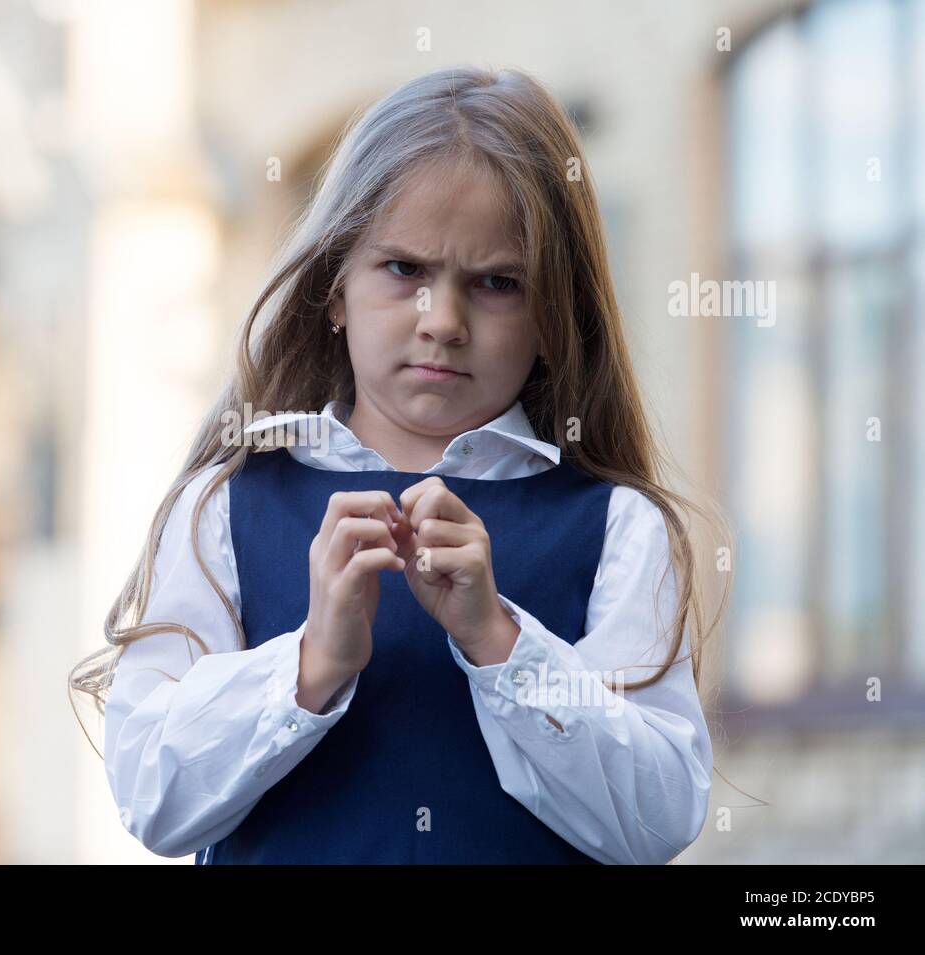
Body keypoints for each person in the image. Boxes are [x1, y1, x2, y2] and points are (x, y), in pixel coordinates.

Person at [70, 65, 729, 864]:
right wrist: (311, 663)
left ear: (556, 316)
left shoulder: (616, 524)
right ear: (334, 287)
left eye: (496, 283)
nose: (442, 321)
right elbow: (153, 799)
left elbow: (656, 821)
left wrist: (500, 641)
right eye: (405, 270)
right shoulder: (228, 503)